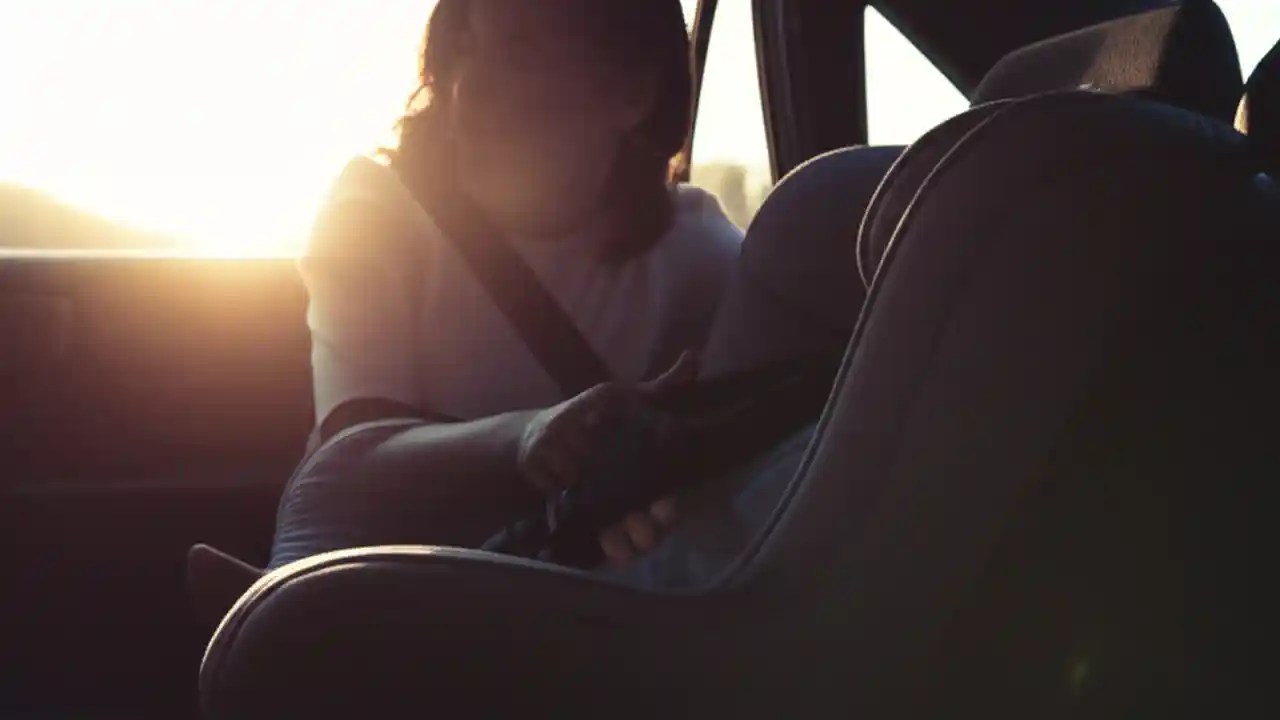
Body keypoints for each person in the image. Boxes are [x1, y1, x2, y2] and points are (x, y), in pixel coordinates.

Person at [270, 0, 742, 572]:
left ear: (633, 92)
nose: (469, 88)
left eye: (518, 52)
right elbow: (353, 461)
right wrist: (525, 440)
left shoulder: (700, 257)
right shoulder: (375, 211)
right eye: (466, 43)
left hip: (590, 634)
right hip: (376, 611)